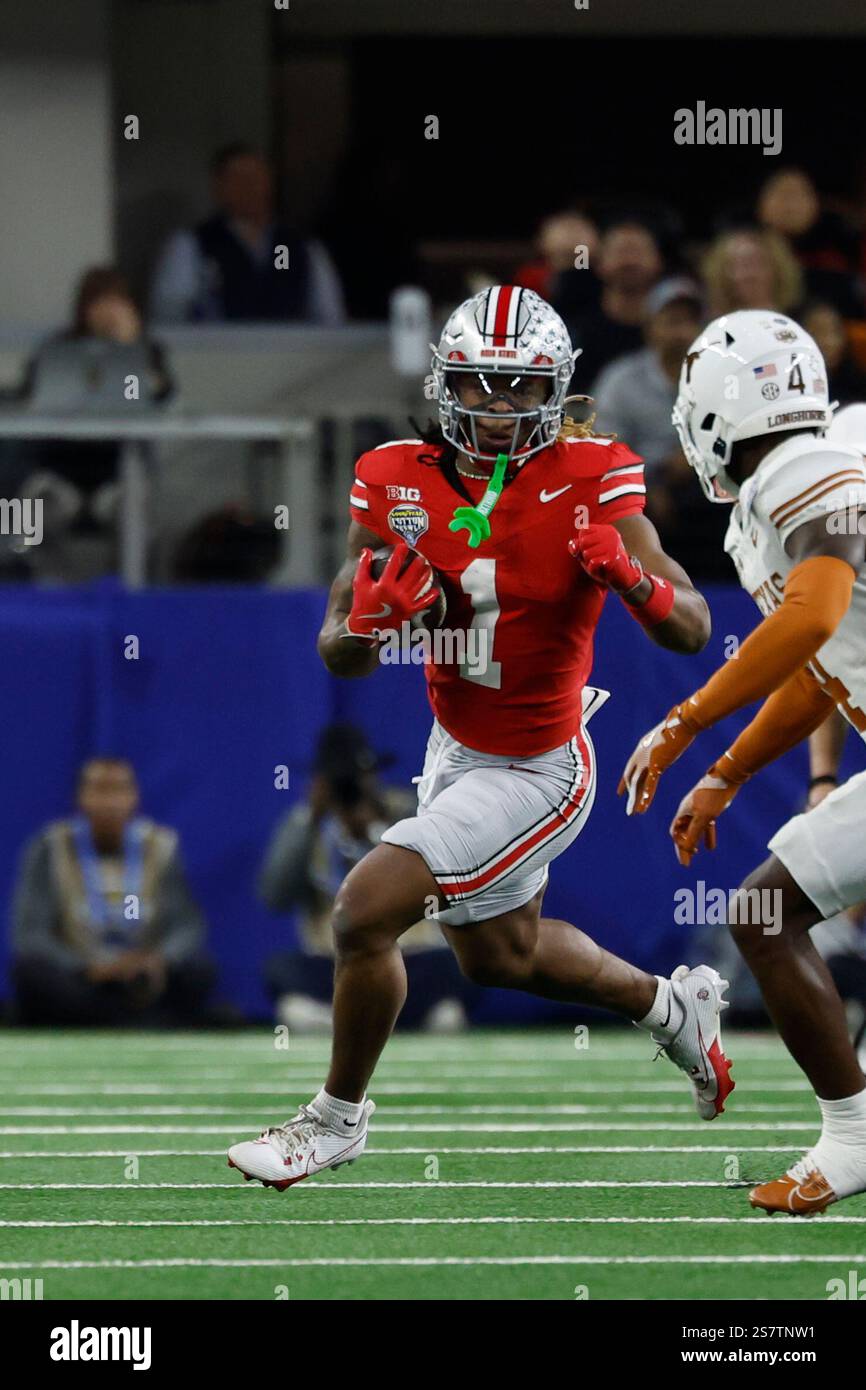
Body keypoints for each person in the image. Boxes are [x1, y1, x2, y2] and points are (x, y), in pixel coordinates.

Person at [226, 285, 730, 1193]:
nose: (498, 410)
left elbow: (691, 627)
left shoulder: (593, 474)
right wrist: (368, 626)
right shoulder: (393, 475)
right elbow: (337, 649)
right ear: (444, 383)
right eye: (479, 386)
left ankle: (333, 1122)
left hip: (540, 764)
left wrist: (633, 581)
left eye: (520, 390)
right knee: (503, 956)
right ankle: (674, 1008)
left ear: (556, 392)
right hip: (454, 748)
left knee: (362, 912)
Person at [620, 317, 866, 1214]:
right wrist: (728, 768)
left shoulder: (810, 468)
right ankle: (852, 1137)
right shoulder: (789, 485)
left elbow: (809, 616)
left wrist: (684, 723)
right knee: (764, 912)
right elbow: (821, 666)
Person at [258, 723, 472, 1033]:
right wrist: (311, 820)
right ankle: (363, 1017)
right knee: (280, 969)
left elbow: (447, 869)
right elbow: (273, 896)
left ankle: (378, 1016)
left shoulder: (405, 813)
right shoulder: (306, 827)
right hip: (336, 960)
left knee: (456, 966)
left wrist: (380, 826)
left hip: (408, 957)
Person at [11, 757, 216, 1026]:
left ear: (134, 797)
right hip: (82, 975)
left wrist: (158, 960)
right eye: (99, 790)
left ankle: (121, 1016)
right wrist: (85, 967)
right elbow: (31, 933)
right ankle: (132, 1020)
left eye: (119, 790)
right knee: (30, 972)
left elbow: (186, 925)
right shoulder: (50, 847)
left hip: (143, 975)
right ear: (80, 797)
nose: (109, 803)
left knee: (199, 969)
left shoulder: (161, 847)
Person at [150, 144, 345, 325]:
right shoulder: (191, 244)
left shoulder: (305, 247)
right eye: (236, 178)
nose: (248, 186)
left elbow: (330, 318)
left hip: (292, 357)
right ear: (218, 187)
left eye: (256, 177)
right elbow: (169, 316)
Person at [554, 219, 663, 393]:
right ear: (600, 263)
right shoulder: (576, 334)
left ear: (658, 261)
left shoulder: (671, 332)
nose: (630, 261)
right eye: (620, 252)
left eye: (638, 252)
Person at [701, 227, 803, 318]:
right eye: (738, 266)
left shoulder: (800, 327)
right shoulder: (713, 332)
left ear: (778, 270)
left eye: (757, 263)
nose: (748, 275)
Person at [801, 301, 866, 407]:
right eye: (818, 331)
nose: (828, 342)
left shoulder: (857, 383)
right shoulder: (795, 385)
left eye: (834, 331)